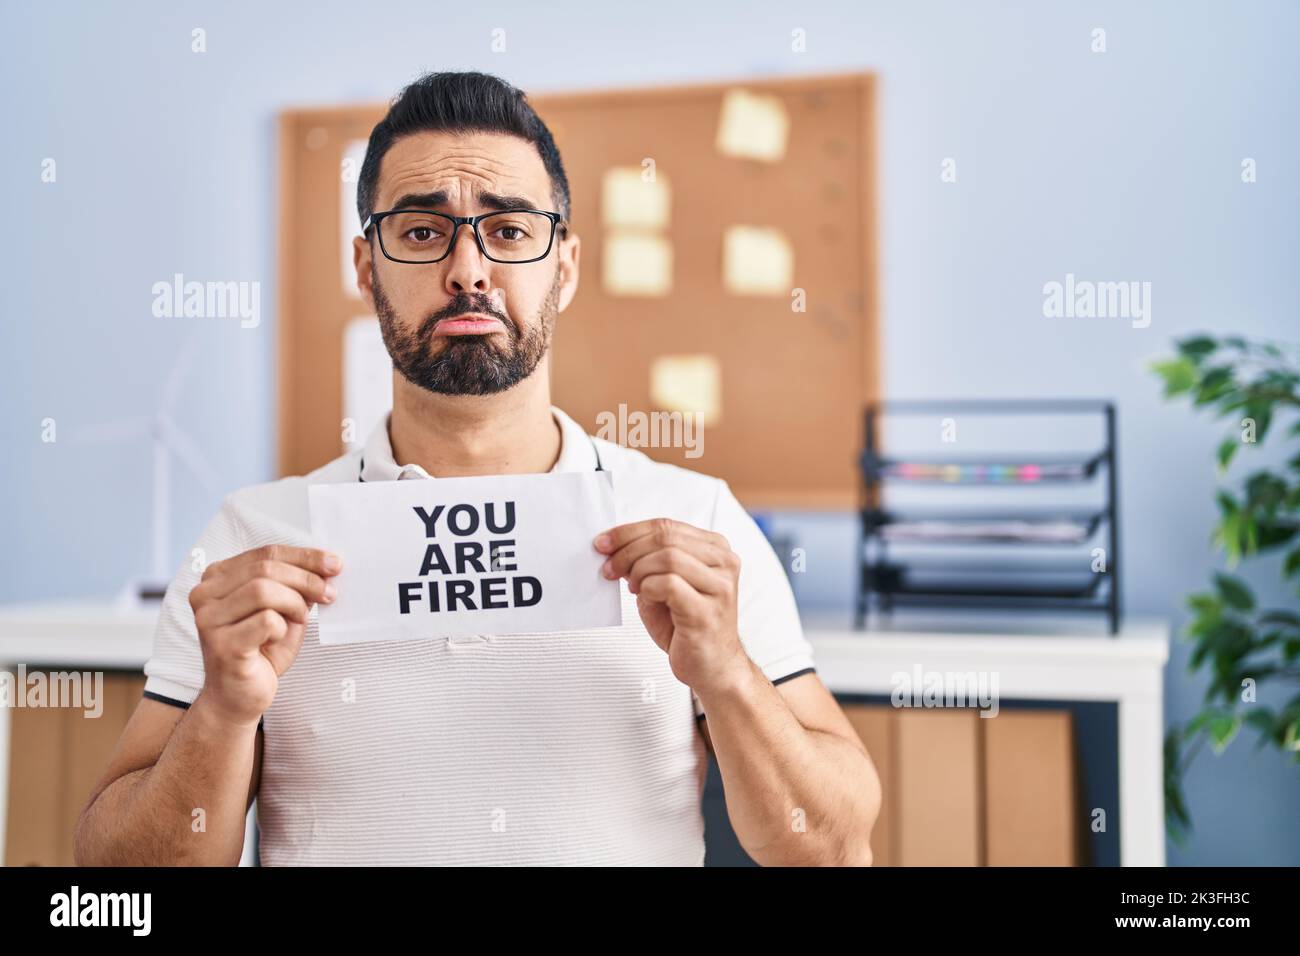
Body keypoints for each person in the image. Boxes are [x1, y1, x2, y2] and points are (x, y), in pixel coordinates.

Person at [74, 70, 881, 866]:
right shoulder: (254, 540)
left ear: (563, 266)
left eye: (509, 230)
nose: (468, 270)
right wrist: (221, 710)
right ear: (365, 268)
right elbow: (118, 883)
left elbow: (836, 849)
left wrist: (729, 677)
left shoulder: (697, 522)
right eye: (422, 232)